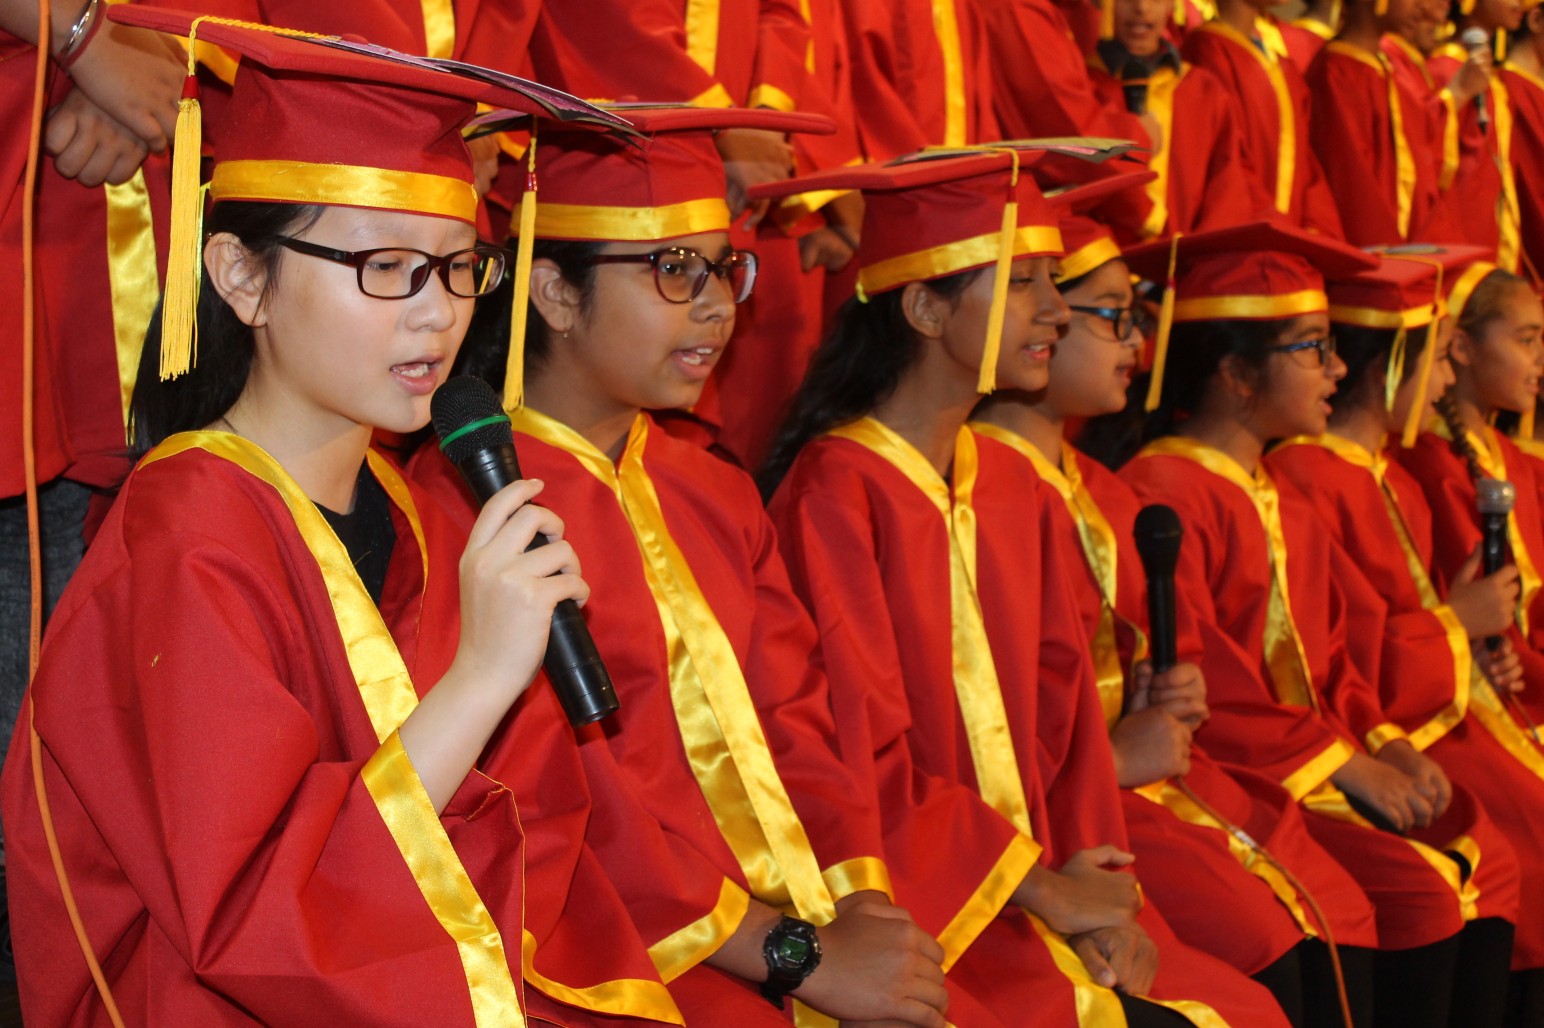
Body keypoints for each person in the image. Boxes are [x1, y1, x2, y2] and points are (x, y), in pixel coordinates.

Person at [0, 11, 696, 1025]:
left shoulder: (423, 509)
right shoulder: (184, 532)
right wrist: (481, 678)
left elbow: (536, 838)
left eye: (460, 265)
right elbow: (256, 919)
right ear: (241, 277)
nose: (435, 312)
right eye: (385, 267)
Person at [411, 105, 964, 1026]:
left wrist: (860, 902)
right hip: (619, 957)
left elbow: (800, 719)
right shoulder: (460, 508)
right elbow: (556, 805)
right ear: (551, 291)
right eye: (674, 269)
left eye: (723, 267)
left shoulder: (712, 487)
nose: (716, 302)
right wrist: (802, 958)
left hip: (800, 930)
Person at [756, 150, 1292, 1027]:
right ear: (926, 306)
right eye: (1022, 280)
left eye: (1052, 280)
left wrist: (1102, 888)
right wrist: (1044, 891)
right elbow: (859, 756)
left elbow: (1067, 717)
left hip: (1043, 889)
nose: (1052, 308)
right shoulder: (835, 494)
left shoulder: (1007, 484)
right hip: (929, 908)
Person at [970, 211, 1382, 1026]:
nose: (1134, 343)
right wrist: (1111, 754)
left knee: (1332, 901)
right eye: (1114, 317)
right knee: (1260, 943)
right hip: (1050, 816)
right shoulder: (978, 494)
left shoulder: (1104, 488)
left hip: (1141, 777)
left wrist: (1174, 686)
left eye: (1136, 318)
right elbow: (983, 715)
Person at [1114, 223, 1521, 1028]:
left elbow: (1337, 660)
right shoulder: (1166, 490)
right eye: (1311, 347)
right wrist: (1349, 766)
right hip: (1230, 766)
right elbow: (1217, 688)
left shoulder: (1278, 493)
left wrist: (1387, 741)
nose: (1336, 369)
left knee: (1485, 855)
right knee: (1408, 886)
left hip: (1310, 753)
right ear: (1235, 373)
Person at [1269, 248, 1544, 1021]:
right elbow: (1345, 654)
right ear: (1389, 363)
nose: (1452, 382)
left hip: (1424, 707)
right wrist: (1458, 626)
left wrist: (1472, 638)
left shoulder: (1387, 477)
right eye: (1439, 360)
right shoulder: (1310, 477)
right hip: (1383, 722)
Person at [1399, 265, 1544, 720]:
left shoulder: (1518, 462)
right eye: (1526, 340)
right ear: (1461, 346)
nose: (1541, 357)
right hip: (1486, 697)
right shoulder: (1428, 468)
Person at [1085, 0, 1271, 241]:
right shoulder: (1083, 85)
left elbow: (1227, 185)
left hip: (1184, 262)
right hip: (1102, 262)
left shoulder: (1203, 89)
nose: (1142, 8)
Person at [1181, 0, 1345, 236]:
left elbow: (1306, 163)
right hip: (1244, 239)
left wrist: (1317, 230)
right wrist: (1274, 228)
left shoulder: (1281, 64)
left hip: (1287, 238)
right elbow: (1228, 162)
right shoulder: (1207, 51)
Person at [1307, 0, 1461, 246]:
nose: (1422, 7)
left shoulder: (1384, 70)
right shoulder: (1336, 74)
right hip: (1373, 255)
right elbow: (1353, 190)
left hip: (1410, 247)